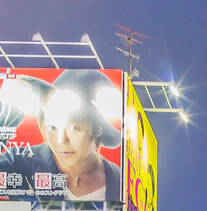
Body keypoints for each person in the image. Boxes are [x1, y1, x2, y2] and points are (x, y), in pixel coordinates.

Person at [0, 69, 123, 201]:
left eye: (74, 128)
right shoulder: (20, 161)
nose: (61, 140)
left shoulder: (118, 180)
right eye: (52, 127)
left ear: (98, 129)